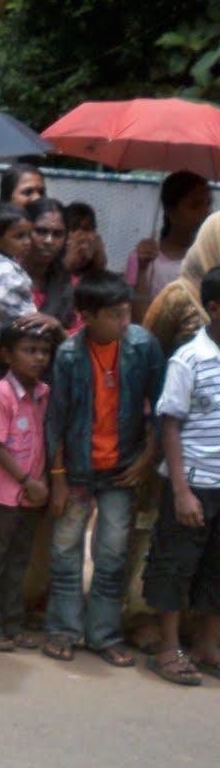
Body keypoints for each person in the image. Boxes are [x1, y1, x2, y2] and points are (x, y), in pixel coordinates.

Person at [43, 273, 163, 667]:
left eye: (127, 312)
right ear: (87, 317)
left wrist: (148, 457)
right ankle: (63, 630)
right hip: (77, 469)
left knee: (112, 555)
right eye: (115, 315)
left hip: (122, 470)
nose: (124, 322)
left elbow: (162, 408)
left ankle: (104, 635)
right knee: (65, 553)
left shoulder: (142, 347)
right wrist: (58, 478)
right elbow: (56, 421)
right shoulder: (69, 355)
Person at [142, 265, 220, 685]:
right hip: (193, 483)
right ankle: (169, 648)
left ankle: (208, 645)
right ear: (213, 308)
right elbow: (169, 424)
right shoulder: (190, 358)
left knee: (215, 568)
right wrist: (181, 491)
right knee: (174, 564)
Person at [0, 322, 54, 652]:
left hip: (31, 493)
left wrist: (41, 480)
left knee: (18, 562)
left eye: (44, 352)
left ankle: (11, 623)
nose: (38, 358)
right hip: (5, 492)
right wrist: (27, 481)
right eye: (29, 351)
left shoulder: (43, 394)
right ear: (7, 355)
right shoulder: (0, 393)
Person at [0, 202, 61, 368]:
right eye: (19, 236)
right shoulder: (8, 275)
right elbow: (26, 318)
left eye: (29, 235)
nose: (28, 242)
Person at [128, 170, 211, 320]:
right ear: (170, 210)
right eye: (195, 205)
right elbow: (138, 322)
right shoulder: (144, 258)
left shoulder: (212, 257)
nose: (205, 212)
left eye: (208, 203)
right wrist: (142, 270)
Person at [25, 197, 77, 333]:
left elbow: (79, 343)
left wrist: (57, 328)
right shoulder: (4, 275)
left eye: (58, 234)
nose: (49, 241)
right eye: (41, 231)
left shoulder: (71, 285)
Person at [63, 202, 107, 277]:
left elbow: (100, 267)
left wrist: (98, 253)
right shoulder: (58, 253)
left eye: (86, 229)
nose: (81, 235)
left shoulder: (94, 243)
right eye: (74, 229)